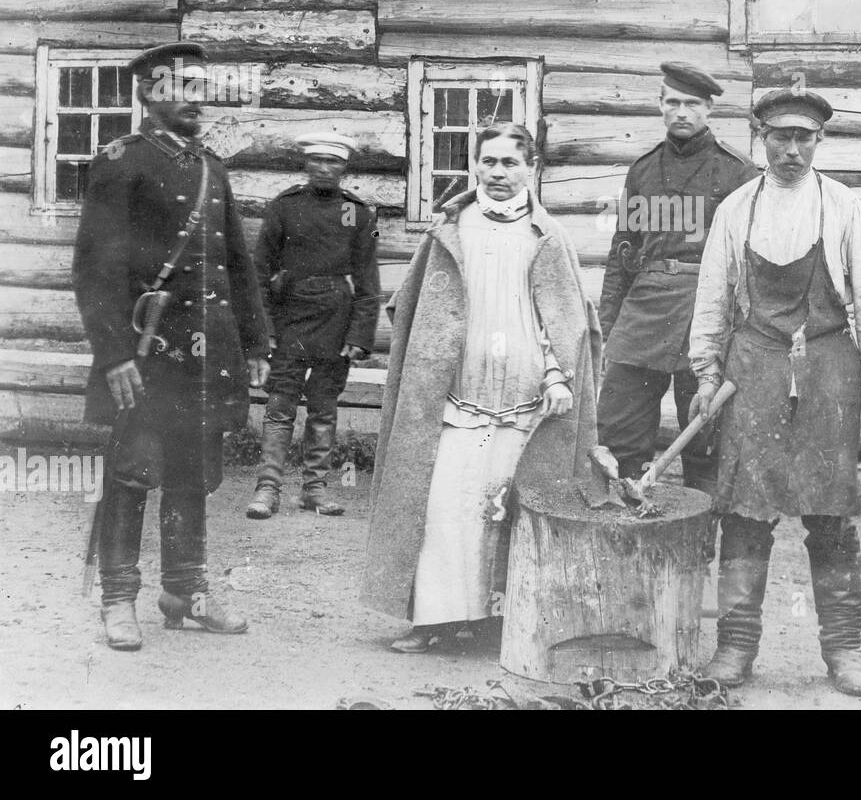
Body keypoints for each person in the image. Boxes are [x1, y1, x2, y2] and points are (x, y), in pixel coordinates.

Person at [688, 85, 861, 696]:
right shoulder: (736, 209)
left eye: (802, 138)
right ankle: (735, 647)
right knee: (745, 514)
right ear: (762, 140)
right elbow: (711, 297)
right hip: (752, 369)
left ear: (819, 141)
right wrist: (707, 373)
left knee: (831, 514)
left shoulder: (843, 207)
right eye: (780, 137)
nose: (791, 150)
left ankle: (844, 651)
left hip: (829, 369)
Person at [359, 123, 601, 651]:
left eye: (510, 163)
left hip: (524, 405)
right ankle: (435, 621)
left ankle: (499, 622)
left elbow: (567, 320)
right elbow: (408, 306)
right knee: (445, 508)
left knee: (506, 511)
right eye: (488, 162)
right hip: (455, 403)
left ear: (531, 168)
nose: (497, 173)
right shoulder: (448, 231)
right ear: (475, 165)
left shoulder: (549, 237)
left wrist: (558, 372)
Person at [72, 42, 270, 651]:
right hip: (144, 355)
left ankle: (184, 593)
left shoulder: (214, 166)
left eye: (201, 87)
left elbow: (237, 263)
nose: (197, 98)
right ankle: (117, 598)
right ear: (148, 96)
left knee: (193, 475)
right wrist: (115, 356)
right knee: (132, 473)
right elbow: (95, 270)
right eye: (181, 87)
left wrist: (256, 339)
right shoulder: (120, 163)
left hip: (206, 358)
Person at [598, 61, 757, 493]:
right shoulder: (643, 170)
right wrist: (609, 325)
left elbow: (752, 261)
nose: (681, 112)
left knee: (706, 432)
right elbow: (623, 251)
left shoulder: (739, 172)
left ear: (709, 110)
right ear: (660, 107)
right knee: (621, 423)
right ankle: (628, 511)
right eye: (673, 102)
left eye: (691, 104)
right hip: (646, 305)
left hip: (708, 311)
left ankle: (702, 535)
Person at [246, 132, 380, 519]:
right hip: (289, 318)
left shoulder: (358, 213)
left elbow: (369, 280)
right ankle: (267, 489)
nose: (324, 168)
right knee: (280, 404)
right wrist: (265, 330)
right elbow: (259, 274)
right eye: (317, 160)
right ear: (306, 163)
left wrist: (359, 335)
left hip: (336, 321)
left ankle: (315, 489)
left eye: (333, 161)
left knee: (323, 407)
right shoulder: (283, 207)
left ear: (344, 167)